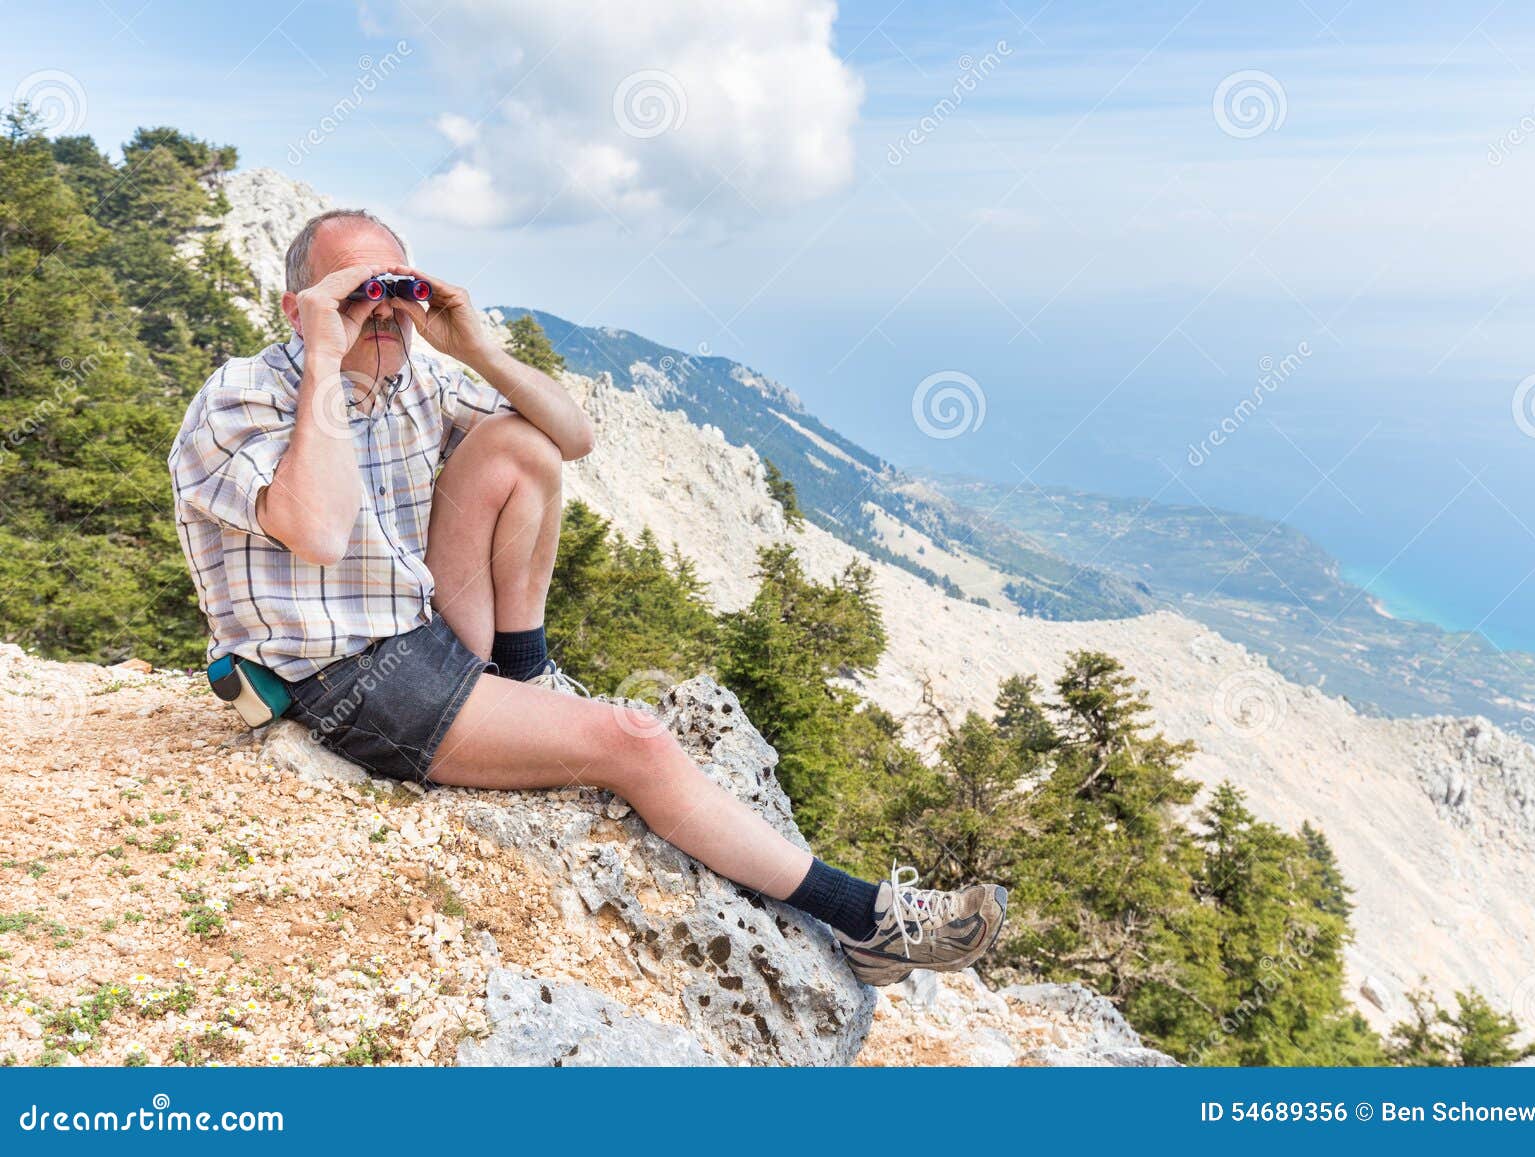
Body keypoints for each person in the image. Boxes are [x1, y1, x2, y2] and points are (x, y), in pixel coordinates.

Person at [167, 208, 1006, 987]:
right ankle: (865, 920)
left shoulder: (413, 381)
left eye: (399, 290)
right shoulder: (245, 397)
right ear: (298, 307)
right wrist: (322, 358)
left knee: (517, 444)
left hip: (416, 625)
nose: (384, 313)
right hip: (347, 675)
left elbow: (572, 438)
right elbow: (315, 530)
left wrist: (476, 351)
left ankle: (523, 677)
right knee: (631, 740)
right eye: (356, 296)